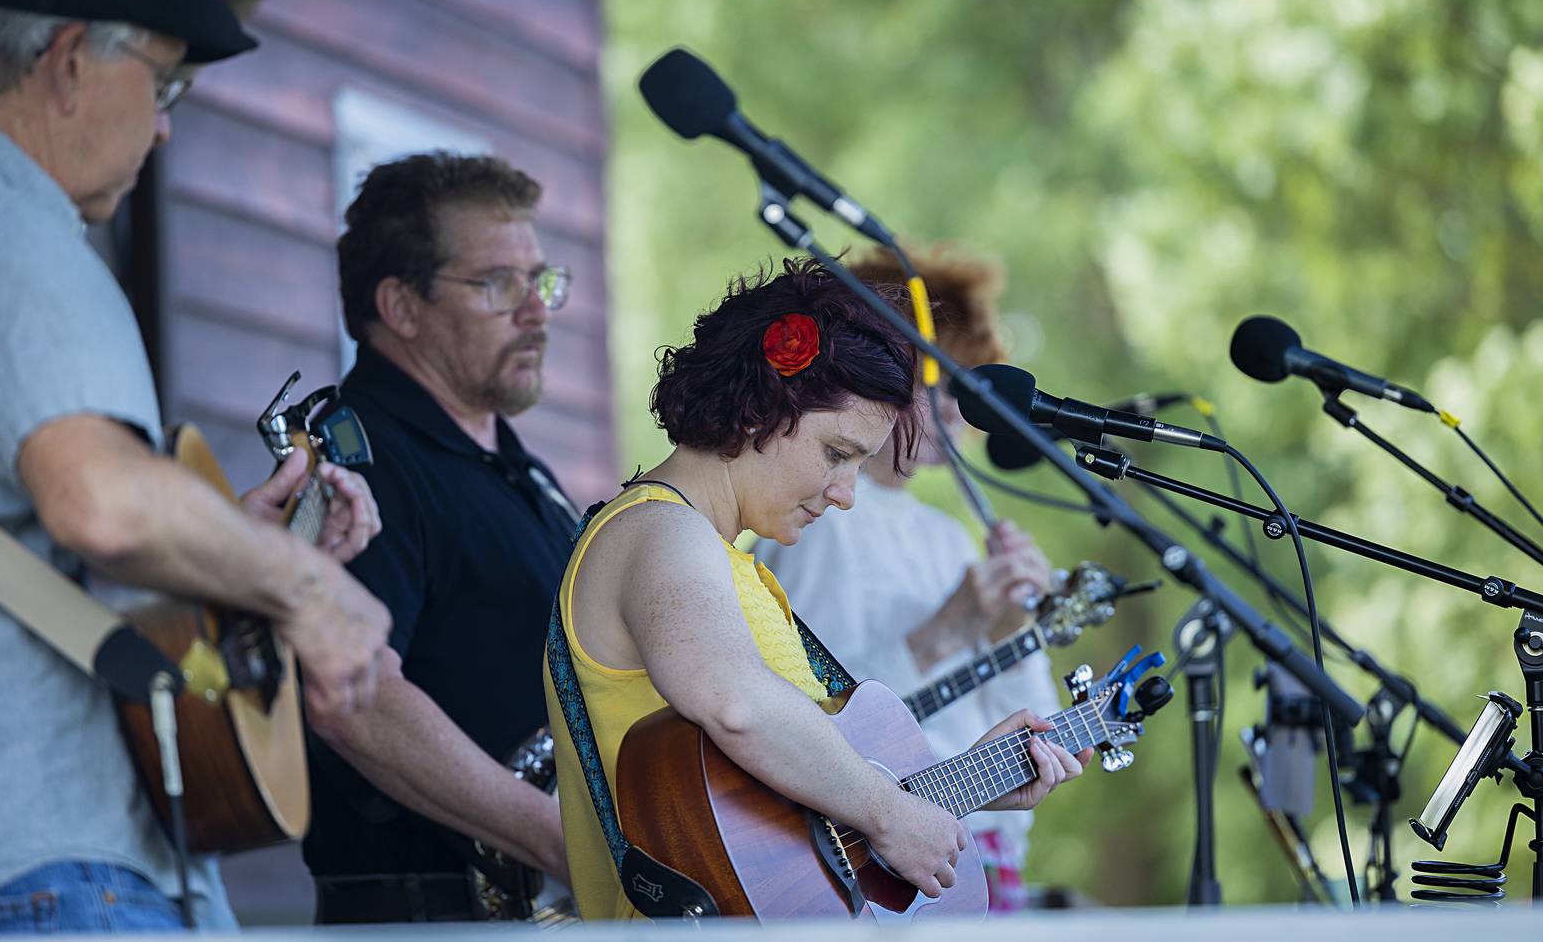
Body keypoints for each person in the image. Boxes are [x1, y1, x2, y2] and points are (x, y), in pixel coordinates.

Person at [0, 0, 390, 934]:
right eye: (161, 82)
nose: (162, 124)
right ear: (67, 60)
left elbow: (28, 541)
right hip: (44, 868)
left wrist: (229, 549)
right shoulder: (9, 221)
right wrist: (308, 592)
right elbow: (102, 505)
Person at [544, 257, 1089, 921]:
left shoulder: (723, 561)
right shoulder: (662, 531)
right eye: (837, 454)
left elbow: (787, 822)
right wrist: (889, 812)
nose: (846, 493)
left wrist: (954, 786)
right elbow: (736, 705)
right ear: (758, 407)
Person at [302, 152, 576, 924]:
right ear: (402, 307)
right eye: (498, 284)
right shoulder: (355, 460)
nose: (537, 311)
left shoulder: (519, 469)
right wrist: (570, 849)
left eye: (541, 281)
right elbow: (354, 699)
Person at [754, 247, 1064, 912]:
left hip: (977, 849)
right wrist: (943, 632)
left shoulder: (948, 538)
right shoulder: (820, 519)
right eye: (947, 385)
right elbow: (812, 719)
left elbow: (1033, 721)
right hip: (882, 862)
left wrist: (1014, 627)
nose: (962, 412)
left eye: (974, 386)